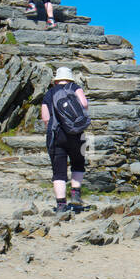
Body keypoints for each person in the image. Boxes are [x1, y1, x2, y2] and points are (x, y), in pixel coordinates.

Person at [39, 66, 89, 213]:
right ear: (69, 78)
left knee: (59, 171)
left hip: (56, 134)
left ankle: (61, 205)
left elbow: (45, 118)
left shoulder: (49, 93)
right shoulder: (74, 87)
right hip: (77, 133)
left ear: (56, 80)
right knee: (78, 163)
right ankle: (75, 194)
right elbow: (84, 103)